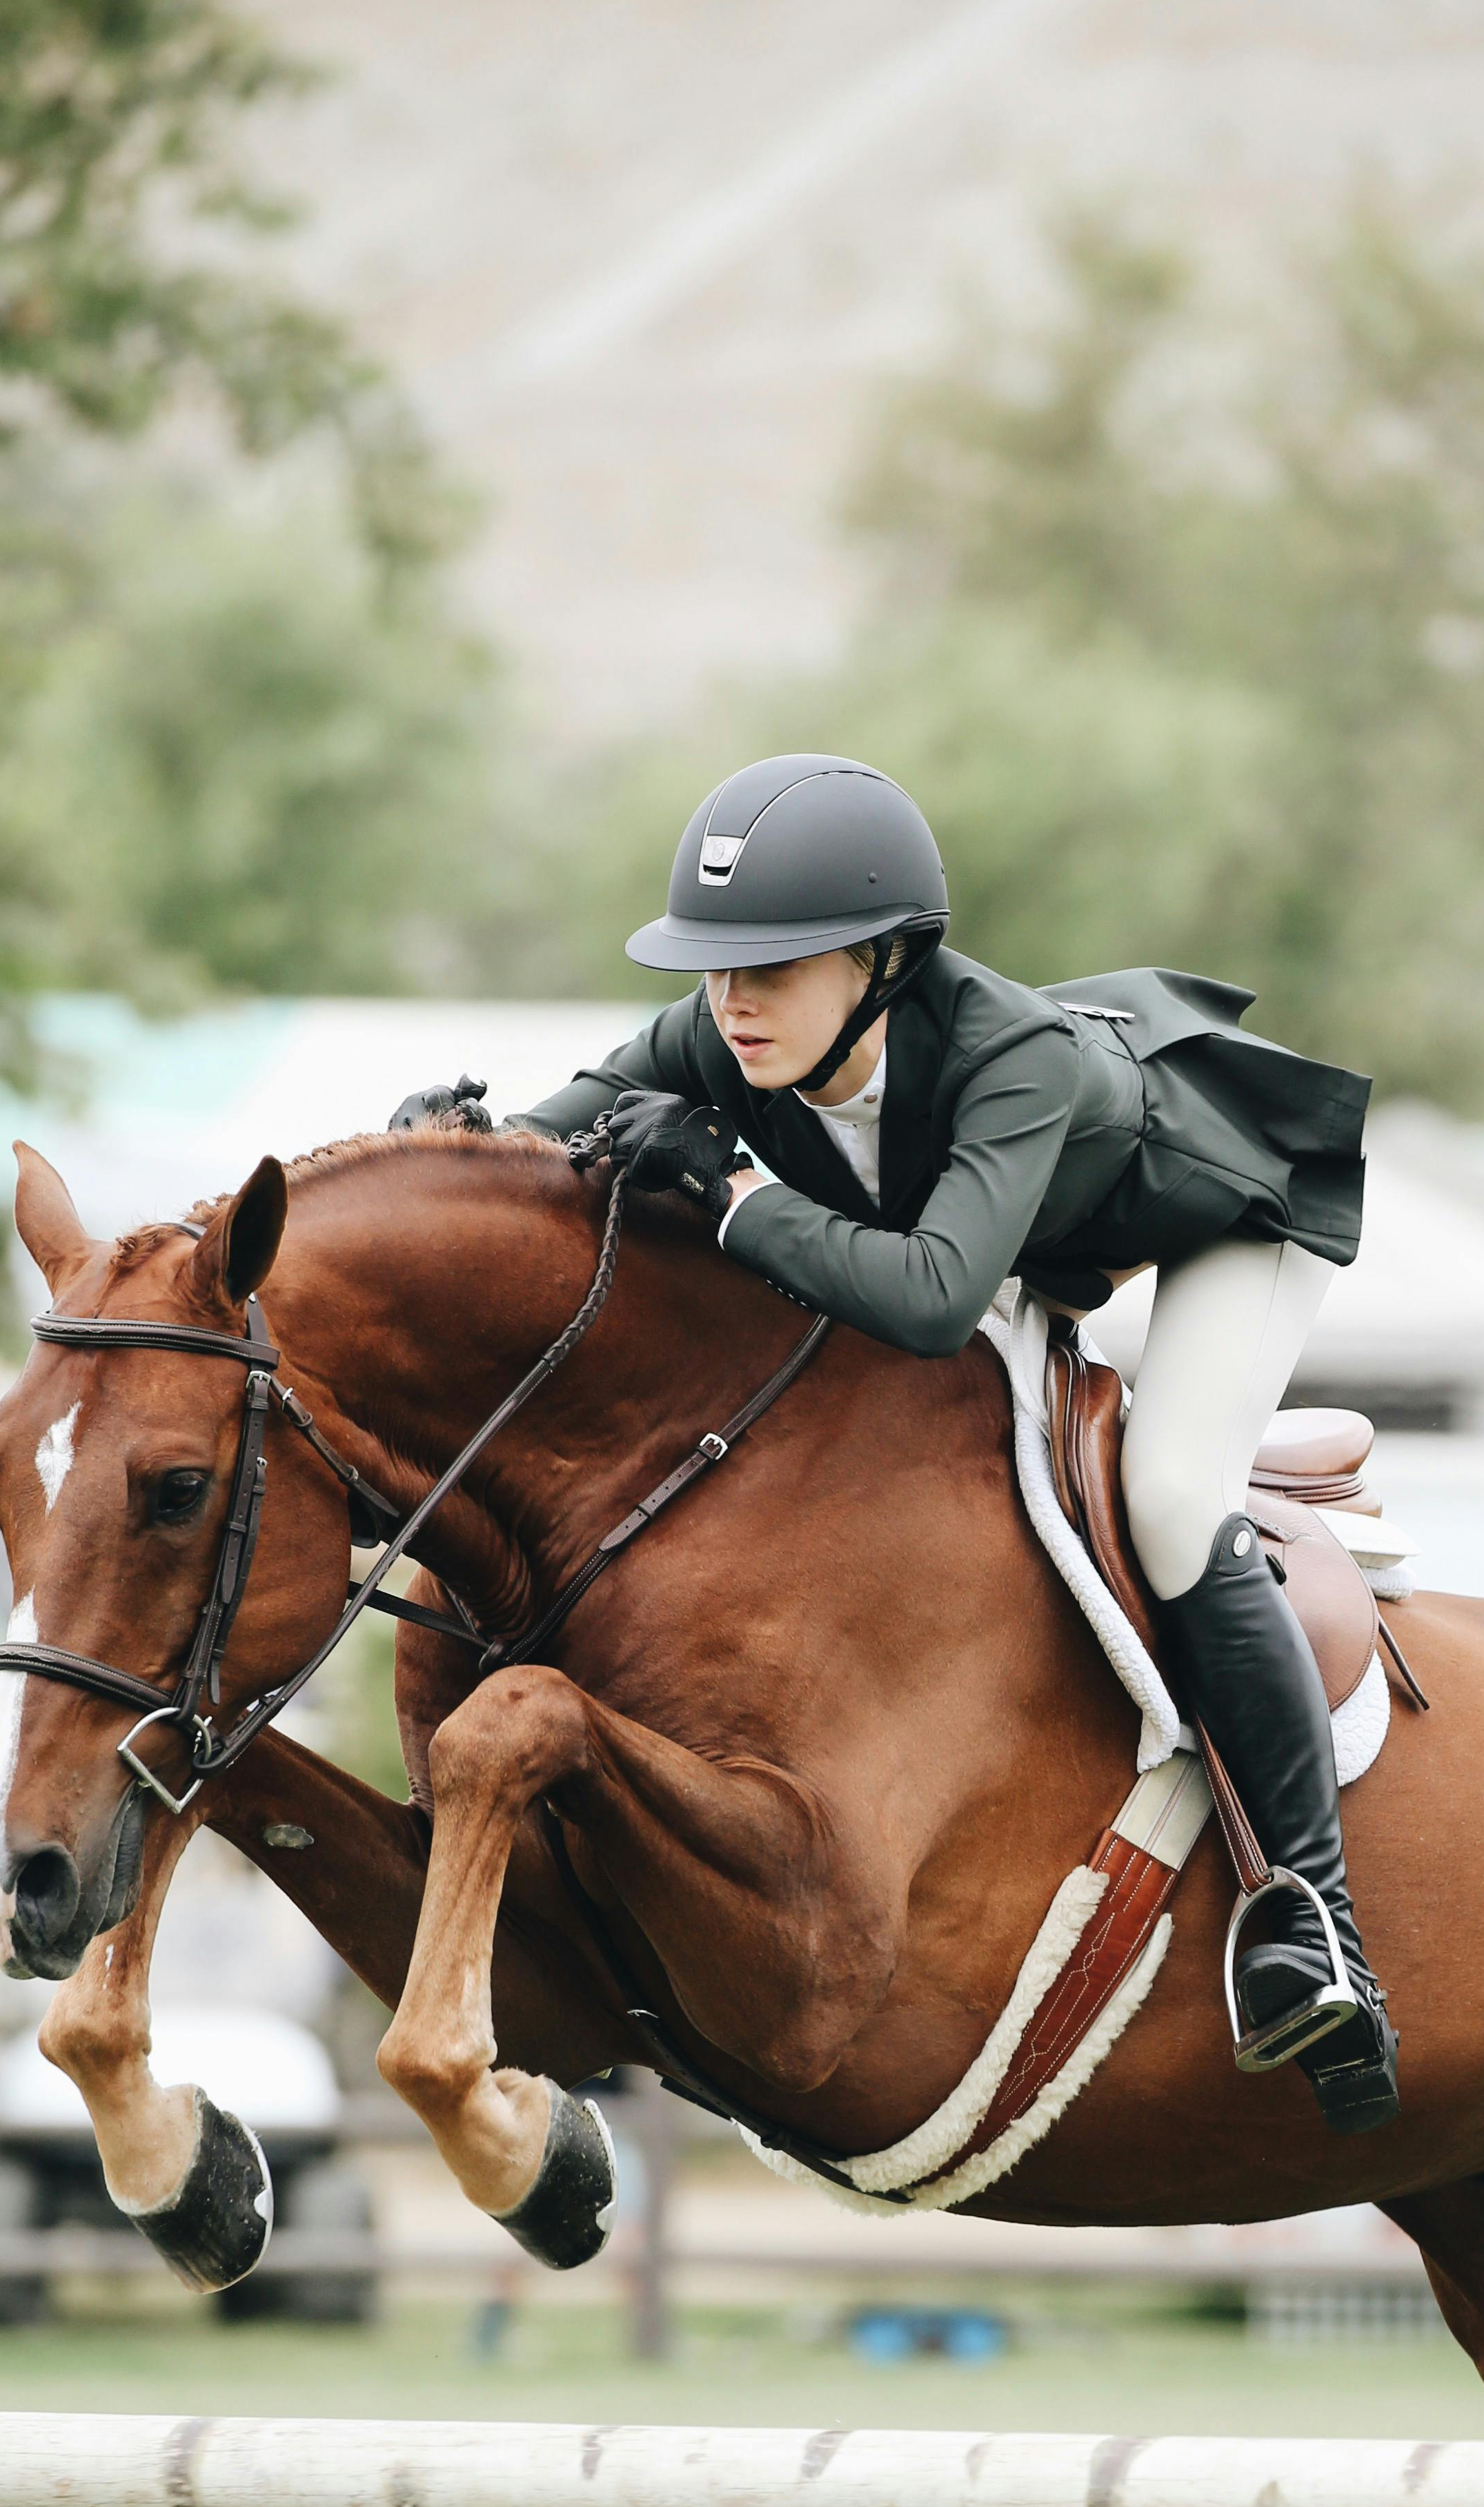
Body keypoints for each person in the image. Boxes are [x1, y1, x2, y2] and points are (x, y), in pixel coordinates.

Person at [515, 752, 1398, 2127]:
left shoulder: (1013, 1055)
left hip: (1232, 1223)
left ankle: (1313, 1921)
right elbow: (544, 1141)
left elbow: (929, 1298)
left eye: (773, 970)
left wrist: (738, 1197)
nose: (731, 1003)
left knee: (1168, 1499)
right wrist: (445, 1142)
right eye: (713, 971)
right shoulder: (727, 1032)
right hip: (1036, 1242)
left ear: (880, 960)